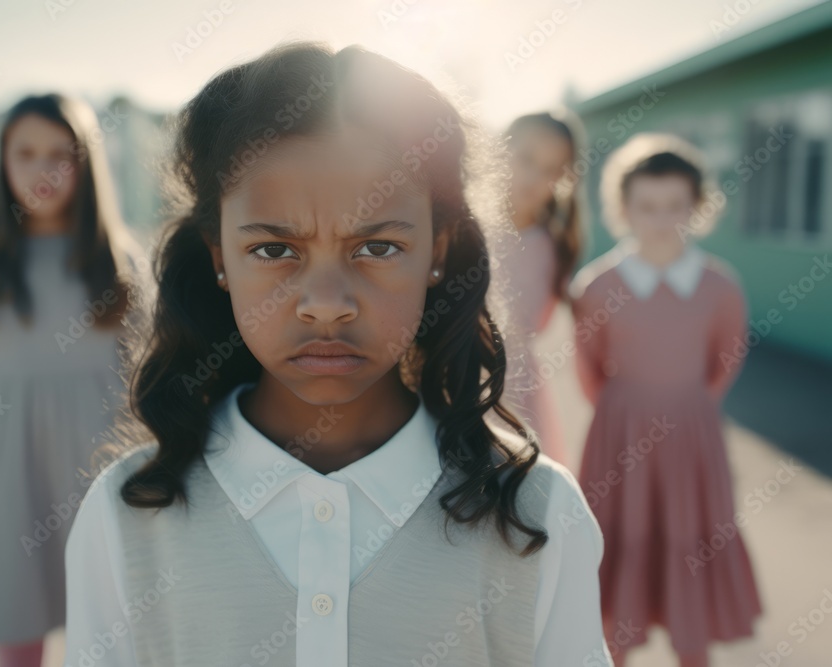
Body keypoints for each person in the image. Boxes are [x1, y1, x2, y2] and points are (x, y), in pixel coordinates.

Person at [63, 41, 612, 667]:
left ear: (438, 251)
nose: (325, 304)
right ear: (219, 257)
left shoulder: (536, 514)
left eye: (376, 248)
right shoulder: (126, 516)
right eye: (274, 250)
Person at [0, 93, 152, 667]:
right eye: (25, 152)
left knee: (110, 640)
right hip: (7, 488)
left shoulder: (120, 261)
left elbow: (151, 388)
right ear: (3, 161)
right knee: (19, 642)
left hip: (103, 484)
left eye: (61, 153)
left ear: (86, 163)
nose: (42, 169)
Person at [568, 133, 762, 667]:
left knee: (690, 542)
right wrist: (628, 410)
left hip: (693, 436)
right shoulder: (598, 286)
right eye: (647, 207)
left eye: (675, 205)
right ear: (623, 209)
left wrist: (683, 406)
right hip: (619, 435)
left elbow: (724, 361)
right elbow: (588, 367)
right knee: (623, 540)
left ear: (698, 208)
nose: (661, 218)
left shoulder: (720, 286)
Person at [499, 110, 586, 466]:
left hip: (519, 397)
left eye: (552, 170)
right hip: (448, 385)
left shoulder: (554, 248)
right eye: (526, 159)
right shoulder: (455, 230)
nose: (534, 177)